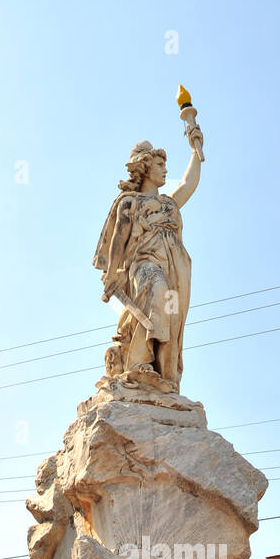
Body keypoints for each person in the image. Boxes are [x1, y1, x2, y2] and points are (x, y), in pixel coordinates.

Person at [93, 128, 203, 392]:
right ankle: (140, 363)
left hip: (175, 270)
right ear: (145, 167)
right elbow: (118, 241)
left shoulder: (168, 204)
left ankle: (163, 374)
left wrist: (196, 151)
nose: (165, 170)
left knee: (171, 313)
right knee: (156, 289)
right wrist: (112, 273)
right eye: (160, 165)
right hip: (144, 265)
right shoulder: (130, 202)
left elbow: (188, 185)